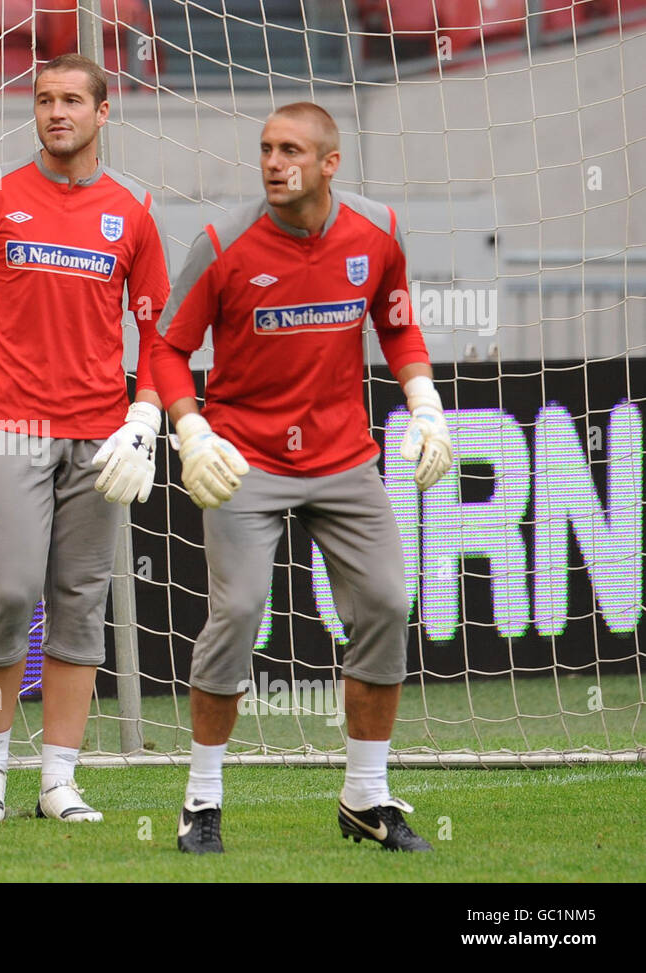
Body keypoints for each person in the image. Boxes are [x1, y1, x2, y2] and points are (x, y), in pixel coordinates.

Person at [150, 102, 453, 853]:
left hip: (343, 457)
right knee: (241, 610)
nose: (274, 162)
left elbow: (397, 321)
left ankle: (366, 797)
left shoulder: (377, 230)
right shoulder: (222, 241)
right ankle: (202, 801)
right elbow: (164, 349)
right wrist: (189, 429)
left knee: (386, 600)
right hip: (243, 460)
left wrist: (425, 403)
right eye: (265, 149)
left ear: (329, 163)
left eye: (291, 150)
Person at [0, 53, 171, 823]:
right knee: (8, 590)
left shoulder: (133, 207)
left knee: (79, 602)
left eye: (71, 100)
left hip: (100, 436)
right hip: (7, 428)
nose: (55, 111)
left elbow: (158, 330)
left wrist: (146, 416)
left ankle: (59, 777)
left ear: (104, 112)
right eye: (43, 99)